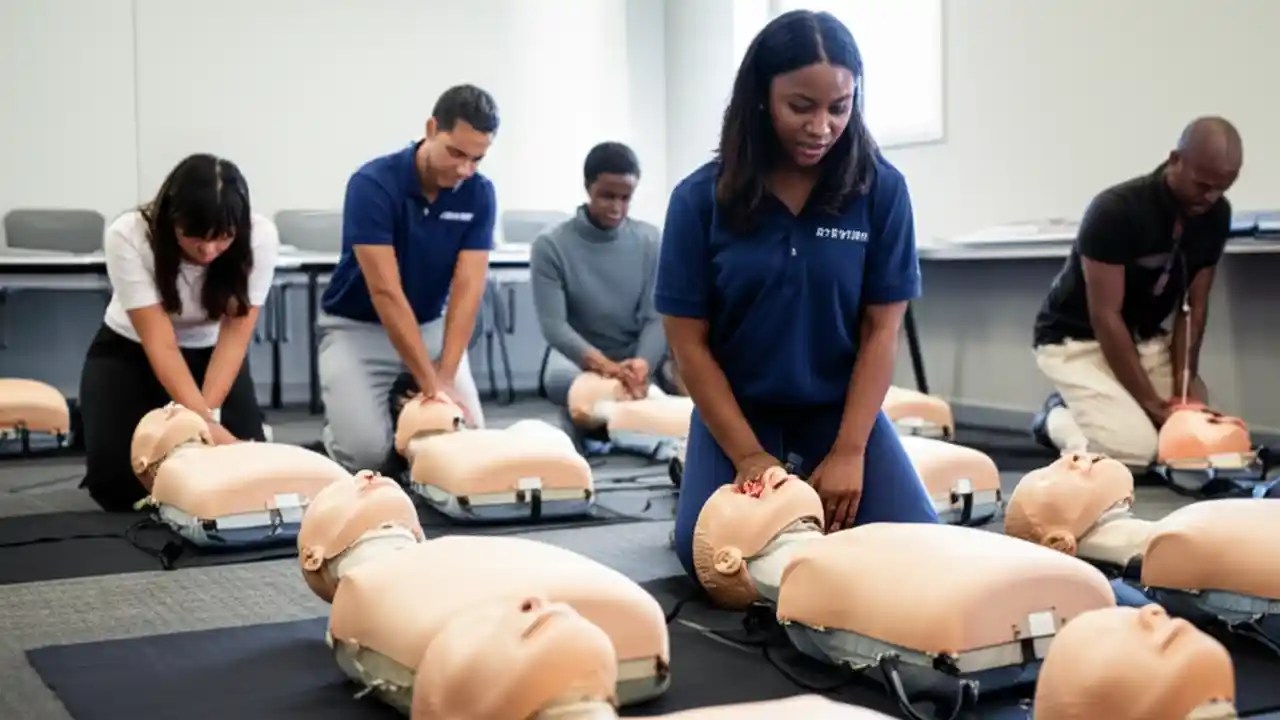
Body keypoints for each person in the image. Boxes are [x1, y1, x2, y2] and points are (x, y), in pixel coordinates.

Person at [654, 10, 940, 576]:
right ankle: (699, 471)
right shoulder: (698, 200)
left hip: (838, 412)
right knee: (709, 558)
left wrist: (851, 450)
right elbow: (690, 349)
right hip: (739, 412)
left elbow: (882, 331)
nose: (822, 127)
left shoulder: (881, 190)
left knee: (920, 549)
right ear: (761, 98)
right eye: (801, 107)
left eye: (840, 106)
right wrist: (749, 457)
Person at [1031, 117, 1242, 468]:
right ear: (1175, 160)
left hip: (1143, 340)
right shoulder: (1115, 211)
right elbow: (1105, 316)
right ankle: (1057, 417)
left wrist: (1183, 386)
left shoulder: (1217, 215)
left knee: (1203, 448)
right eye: (1203, 184)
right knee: (1135, 453)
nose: (1210, 197)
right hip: (1076, 342)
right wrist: (1151, 403)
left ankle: (1111, 411)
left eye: (1222, 188)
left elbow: (1194, 307)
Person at [78, 154, 276, 511]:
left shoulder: (260, 237)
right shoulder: (129, 234)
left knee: (244, 472)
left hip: (211, 354)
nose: (208, 250)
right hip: (132, 351)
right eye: (195, 237)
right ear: (172, 220)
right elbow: (161, 343)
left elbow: (235, 337)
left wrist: (209, 417)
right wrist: (200, 423)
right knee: (119, 487)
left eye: (223, 238)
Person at [318, 84, 497, 473]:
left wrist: (445, 378)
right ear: (432, 128)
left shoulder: (479, 194)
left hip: (429, 326)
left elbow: (467, 290)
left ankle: (405, 409)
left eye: (477, 159)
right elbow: (385, 292)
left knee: (468, 442)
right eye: (456, 153)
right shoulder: (372, 184)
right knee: (367, 456)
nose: (465, 169)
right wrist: (430, 386)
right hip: (358, 329)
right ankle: (349, 425)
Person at [530, 141, 676, 407]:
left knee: (686, 373)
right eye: (607, 196)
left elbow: (655, 317)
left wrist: (642, 362)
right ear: (588, 188)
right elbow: (555, 326)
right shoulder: (550, 245)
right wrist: (606, 366)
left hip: (635, 354)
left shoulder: (651, 240)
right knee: (564, 382)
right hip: (580, 357)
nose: (616, 207)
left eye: (625, 198)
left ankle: (627, 418)